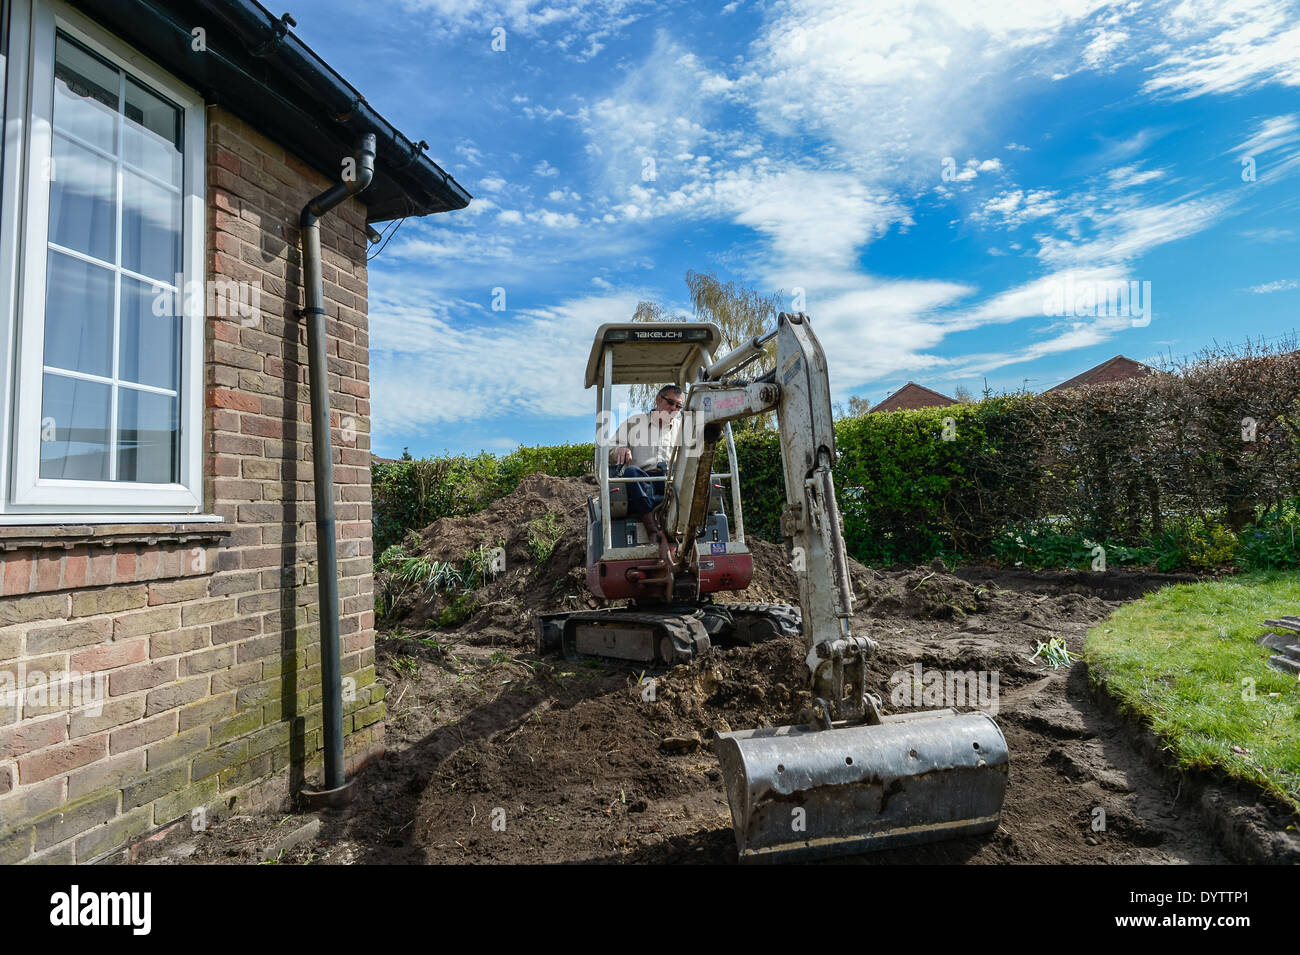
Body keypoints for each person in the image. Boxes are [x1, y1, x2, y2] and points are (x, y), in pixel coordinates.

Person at [609, 385, 684, 540]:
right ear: (658, 399)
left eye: (678, 406)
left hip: (671, 481)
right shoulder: (634, 423)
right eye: (670, 403)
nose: (674, 409)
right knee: (632, 472)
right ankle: (652, 530)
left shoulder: (682, 428)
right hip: (643, 481)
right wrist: (619, 449)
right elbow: (608, 449)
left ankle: (684, 529)